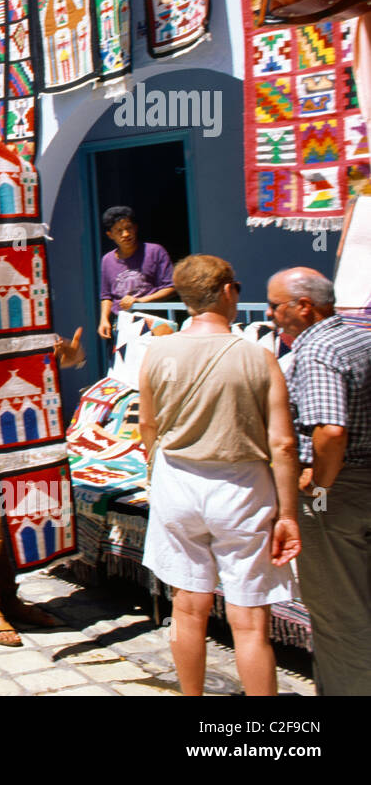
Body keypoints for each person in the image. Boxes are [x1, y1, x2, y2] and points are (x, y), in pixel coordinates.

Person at [139, 255, 301, 696]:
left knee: (187, 610)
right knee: (249, 623)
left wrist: (159, 474)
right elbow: (284, 445)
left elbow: (148, 426)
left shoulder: (157, 352)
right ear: (228, 291)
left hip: (177, 481)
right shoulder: (258, 357)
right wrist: (288, 514)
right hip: (241, 490)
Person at [0, 212, 85, 646]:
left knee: (13, 505)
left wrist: (65, 353)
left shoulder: (10, 281)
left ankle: (8, 596)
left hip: (15, 403)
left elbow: (20, 340)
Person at [267, 266, 371, 695]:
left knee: (340, 610)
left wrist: (321, 488)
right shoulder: (359, 335)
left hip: (338, 490)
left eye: (275, 306)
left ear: (303, 307)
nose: (271, 315)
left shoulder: (318, 350)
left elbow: (330, 431)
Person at [97, 206, 176, 339]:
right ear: (110, 235)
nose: (126, 234)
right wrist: (103, 320)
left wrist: (140, 300)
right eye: (119, 231)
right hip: (122, 325)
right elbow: (106, 296)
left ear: (135, 227)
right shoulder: (107, 260)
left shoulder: (155, 251)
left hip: (154, 322)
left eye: (129, 228)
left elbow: (171, 288)